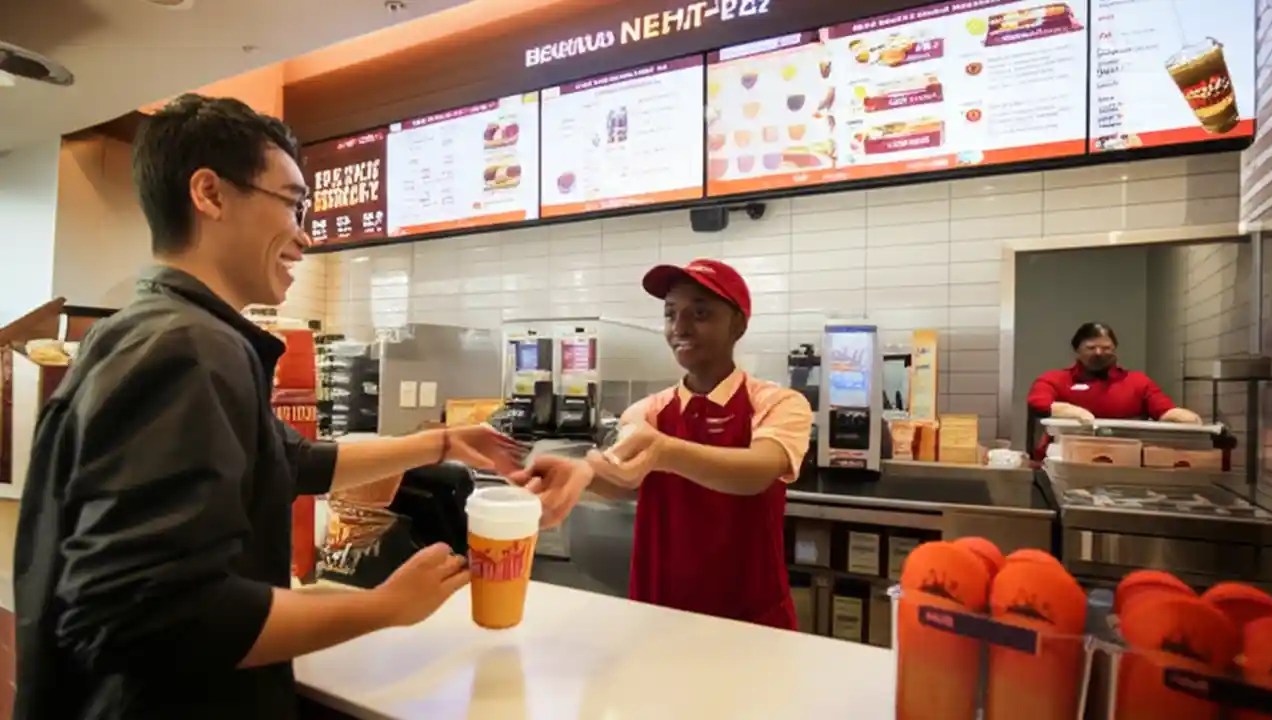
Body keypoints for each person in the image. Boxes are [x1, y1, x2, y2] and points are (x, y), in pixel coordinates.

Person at [13, 94, 524, 720]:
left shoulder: (153, 330)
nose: (305, 234)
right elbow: (151, 612)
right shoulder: (190, 349)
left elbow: (290, 459)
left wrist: (439, 443)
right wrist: (385, 607)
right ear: (210, 194)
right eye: (291, 202)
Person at [511, 259, 812, 630]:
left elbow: (758, 472)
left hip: (750, 618)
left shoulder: (777, 403)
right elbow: (623, 478)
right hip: (657, 614)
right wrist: (580, 472)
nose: (680, 327)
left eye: (700, 312)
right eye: (671, 314)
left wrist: (664, 451)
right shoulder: (648, 412)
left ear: (737, 324)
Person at [1027, 321, 1201, 457]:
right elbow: (1037, 401)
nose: (1098, 353)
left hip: (1123, 460)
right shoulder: (1055, 379)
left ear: (1115, 350)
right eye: (1091, 348)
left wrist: (1187, 421)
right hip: (1065, 459)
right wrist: (1072, 411)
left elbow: (1164, 409)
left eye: (1106, 348)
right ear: (1077, 350)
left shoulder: (1137, 382)